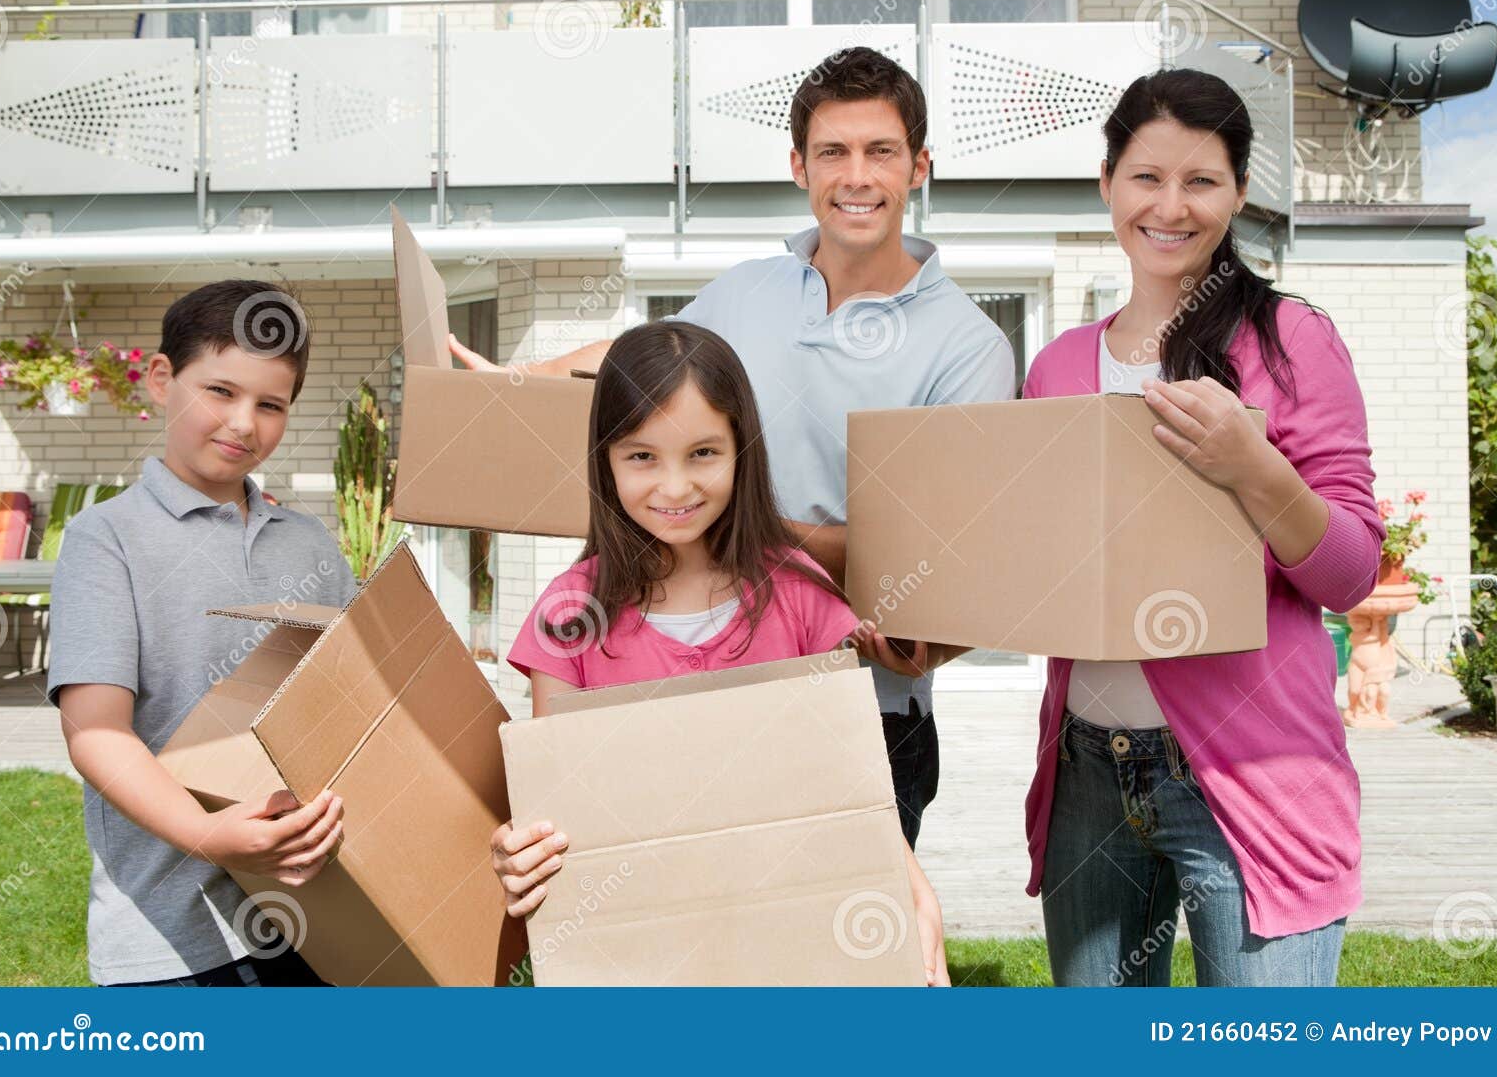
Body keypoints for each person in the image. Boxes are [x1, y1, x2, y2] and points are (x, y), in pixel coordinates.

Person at [449, 48, 1016, 846]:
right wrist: (516, 380)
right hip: (694, 682)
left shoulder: (970, 346)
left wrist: (747, 523)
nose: (856, 176)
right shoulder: (748, 289)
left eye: (880, 151)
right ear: (799, 165)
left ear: (919, 166)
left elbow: (944, 564)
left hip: (857, 700)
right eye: (832, 152)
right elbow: (646, 363)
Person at [1022, 69, 1385, 986]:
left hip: (1257, 770)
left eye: (1202, 181)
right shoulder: (1059, 367)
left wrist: (1253, 467)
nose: (1171, 206)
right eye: (1146, 177)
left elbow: (1348, 574)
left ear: (1240, 194)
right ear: (1106, 183)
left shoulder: (1290, 340)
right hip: (1088, 775)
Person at [490, 321, 950, 985]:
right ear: (605, 459)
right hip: (638, 958)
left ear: (742, 450)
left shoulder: (800, 598)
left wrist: (914, 886)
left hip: (793, 946)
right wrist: (518, 850)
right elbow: (557, 812)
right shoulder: (568, 618)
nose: (675, 488)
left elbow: (853, 786)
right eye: (642, 456)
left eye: (703, 452)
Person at [48, 281, 355, 986]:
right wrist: (209, 834)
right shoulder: (108, 539)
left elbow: (355, 693)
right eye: (220, 390)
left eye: (270, 404)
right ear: (162, 380)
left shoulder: (308, 543)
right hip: (171, 938)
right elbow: (96, 732)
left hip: (317, 916)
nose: (244, 423)